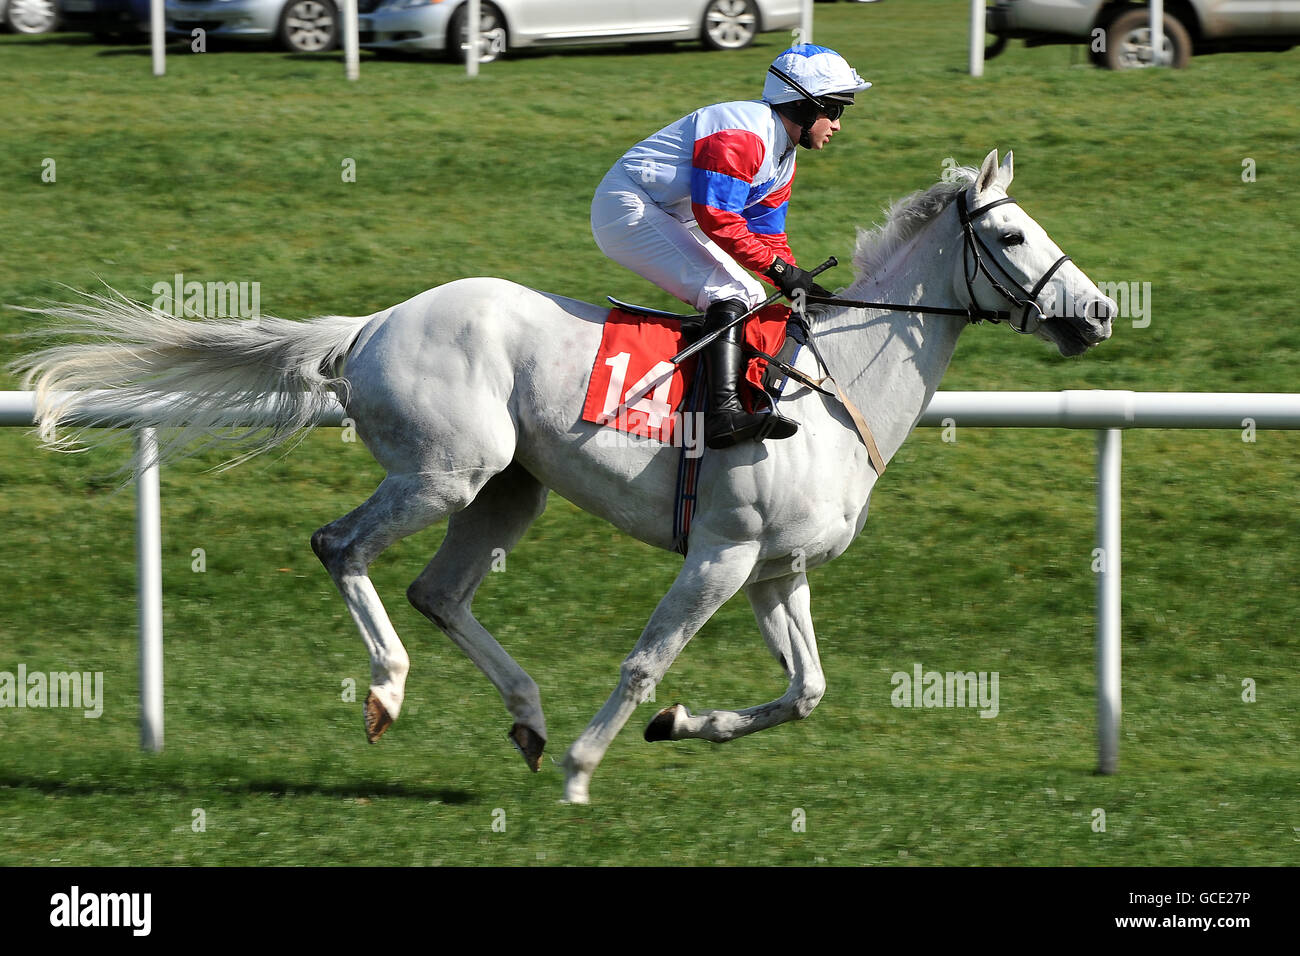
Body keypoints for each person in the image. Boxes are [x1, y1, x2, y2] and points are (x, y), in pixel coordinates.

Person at [591, 44, 871, 449]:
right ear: (806, 106)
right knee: (734, 291)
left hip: (675, 212)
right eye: (836, 110)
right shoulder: (744, 135)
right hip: (629, 208)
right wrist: (779, 271)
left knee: (756, 292)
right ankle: (721, 415)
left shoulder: (783, 155)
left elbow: (766, 233)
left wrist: (796, 284)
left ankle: (734, 390)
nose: (838, 125)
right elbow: (717, 217)